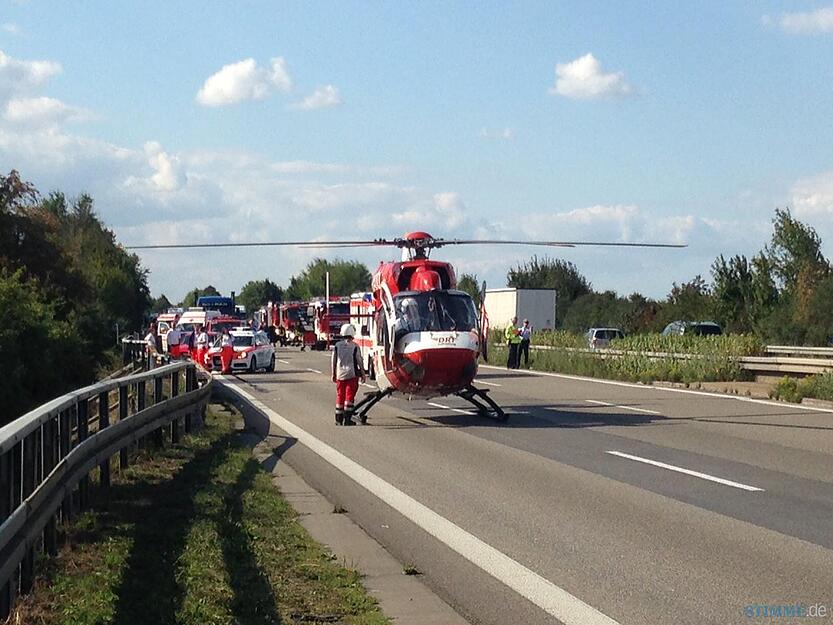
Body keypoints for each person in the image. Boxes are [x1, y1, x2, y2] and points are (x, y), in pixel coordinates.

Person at [331, 323, 366, 426]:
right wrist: (363, 373)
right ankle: (347, 419)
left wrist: (333, 373)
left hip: (340, 374)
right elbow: (359, 360)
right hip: (352, 374)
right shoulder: (355, 346)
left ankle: (338, 419)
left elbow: (333, 360)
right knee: (349, 396)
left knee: (340, 396)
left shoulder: (337, 346)